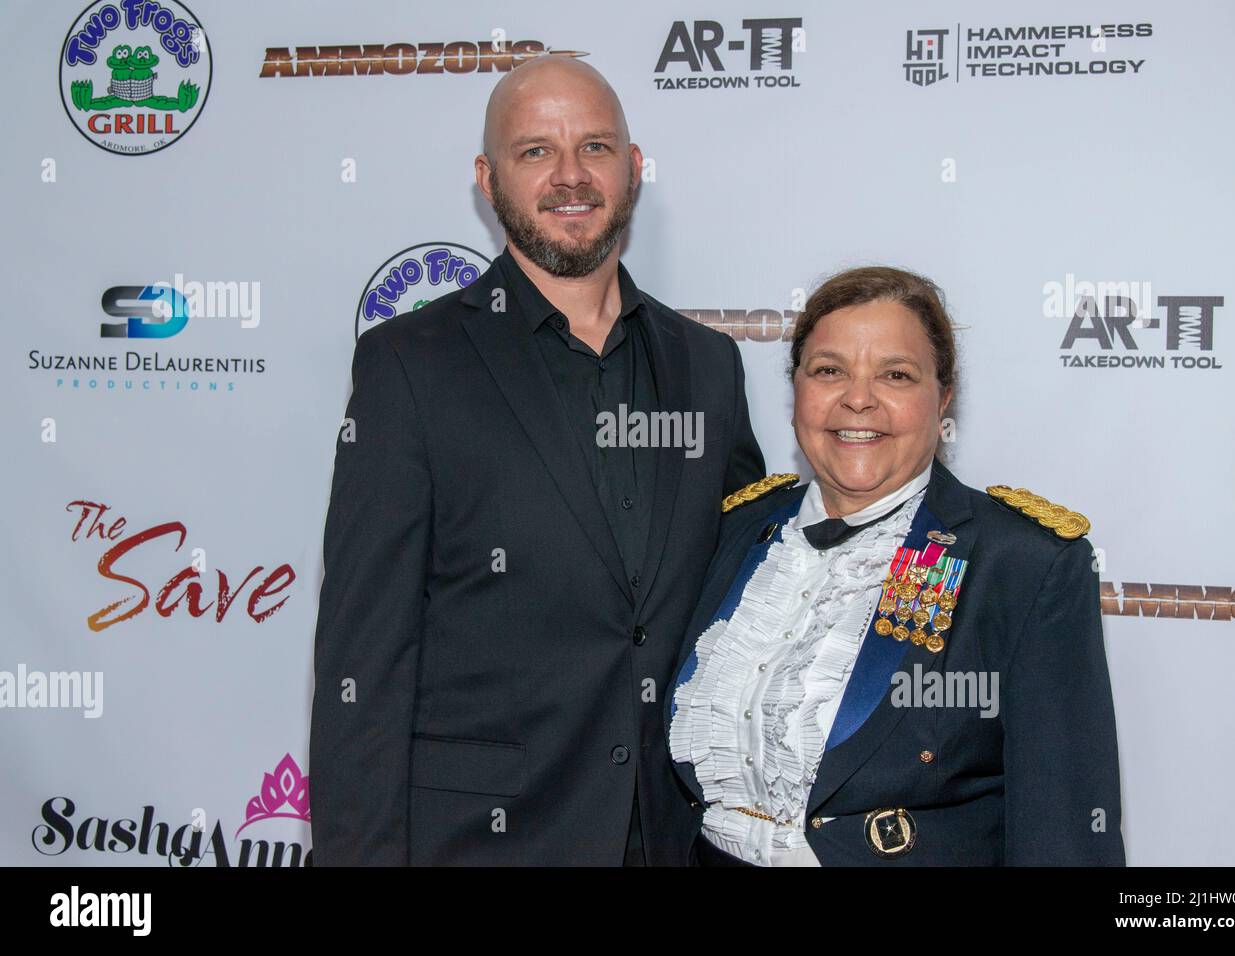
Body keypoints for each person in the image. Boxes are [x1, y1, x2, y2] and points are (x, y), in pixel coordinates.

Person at [310, 55, 764, 866]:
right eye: (534, 152)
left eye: (595, 147)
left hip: (668, 840)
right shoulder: (409, 367)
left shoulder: (708, 366)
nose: (570, 175)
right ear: (488, 179)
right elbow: (365, 662)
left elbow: (742, 603)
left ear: (634, 166)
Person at [665, 266, 1125, 866]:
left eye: (896, 375)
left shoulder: (1022, 564)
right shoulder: (735, 530)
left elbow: (1064, 835)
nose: (858, 398)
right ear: (796, 388)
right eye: (829, 370)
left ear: (943, 400)